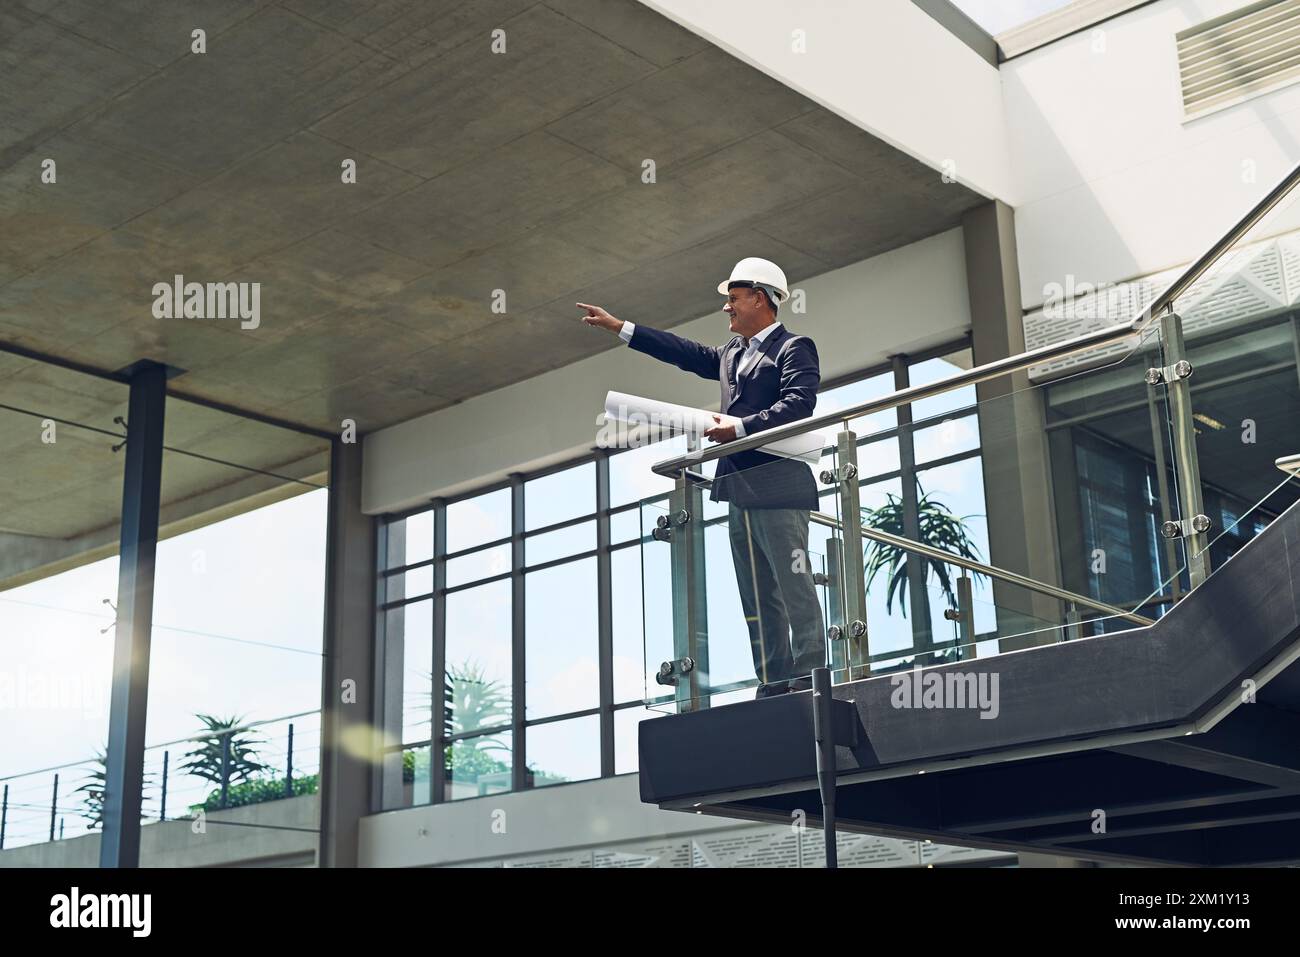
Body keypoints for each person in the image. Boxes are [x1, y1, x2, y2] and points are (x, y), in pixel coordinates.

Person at [579, 257, 826, 698]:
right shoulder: (732, 354)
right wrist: (622, 328)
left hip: (780, 482)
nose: (727, 308)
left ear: (760, 298)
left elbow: (800, 404)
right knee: (756, 596)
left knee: (794, 589)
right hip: (738, 487)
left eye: (733, 299)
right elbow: (685, 353)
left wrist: (741, 428)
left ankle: (811, 678)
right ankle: (774, 681)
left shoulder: (793, 347)